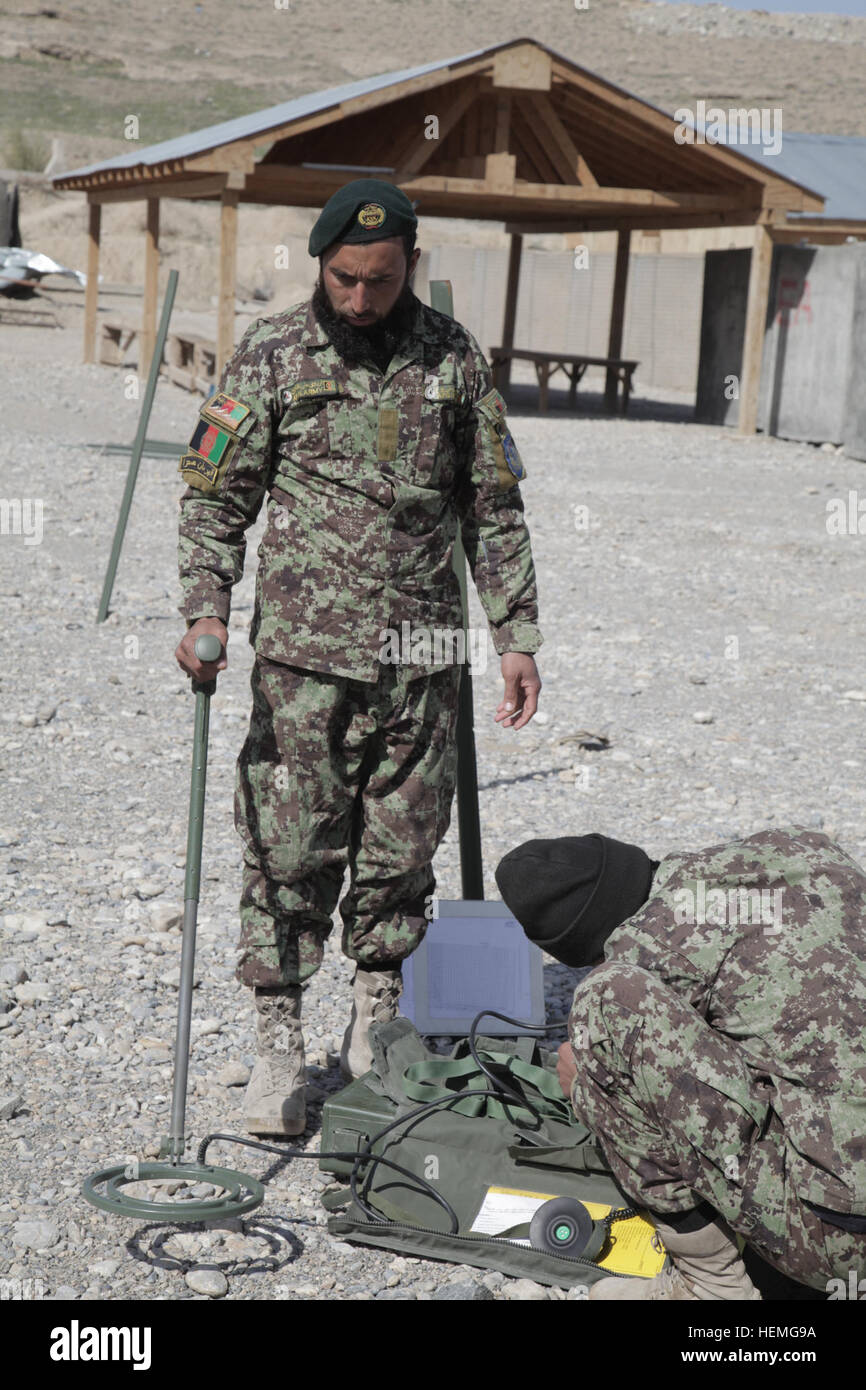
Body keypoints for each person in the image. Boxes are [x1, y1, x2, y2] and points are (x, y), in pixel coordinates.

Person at [175, 178, 542, 1137]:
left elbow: (492, 507)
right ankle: (275, 1052)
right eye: (344, 279)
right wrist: (206, 608)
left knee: (401, 854)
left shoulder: (454, 358)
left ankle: (374, 1023)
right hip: (303, 660)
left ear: (411, 265)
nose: (360, 300)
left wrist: (516, 636)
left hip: (423, 658)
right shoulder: (271, 355)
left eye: (380, 281)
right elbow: (216, 497)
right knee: (290, 852)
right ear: (320, 264)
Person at [495, 825, 866, 1300]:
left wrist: (588, 1082)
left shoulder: (641, 952)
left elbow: (632, 1026)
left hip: (841, 1244)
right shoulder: (799, 847)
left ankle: (709, 1282)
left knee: (605, 1010)